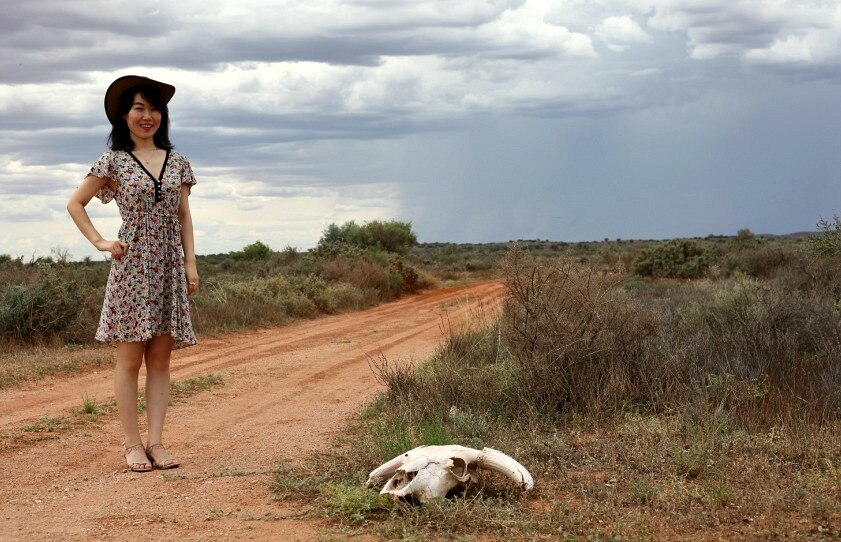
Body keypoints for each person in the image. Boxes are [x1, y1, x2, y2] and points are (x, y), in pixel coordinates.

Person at [67, 75, 198, 472]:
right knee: (129, 360)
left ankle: (157, 443)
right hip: (133, 268)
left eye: (154, 108)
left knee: (160, 360)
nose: (148, 116)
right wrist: (101, 242)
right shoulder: (113, 161)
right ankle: (131, 444)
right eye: (139, 108)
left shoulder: (178, 162)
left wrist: (190, 263)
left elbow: (184, 215)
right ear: (124, 115)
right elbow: (76, 204)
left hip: (169, 267)